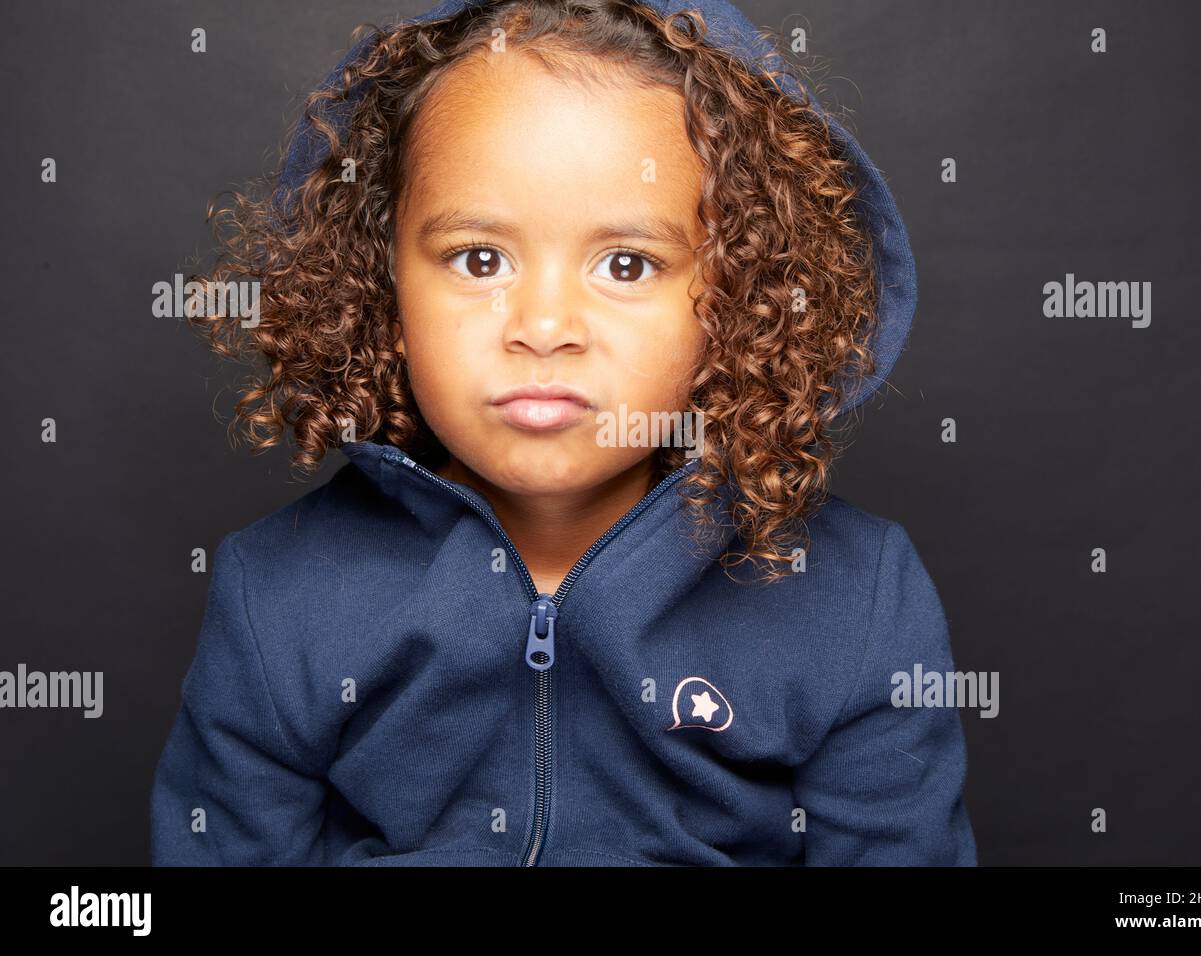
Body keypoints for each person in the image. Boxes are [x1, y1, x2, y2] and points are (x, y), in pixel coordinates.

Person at [150, 0, 977, 866]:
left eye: (627, 264)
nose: (544, 325)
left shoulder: (856, 599)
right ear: (382, 284)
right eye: (480, 259)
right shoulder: (276, 596)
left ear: (737, 301)